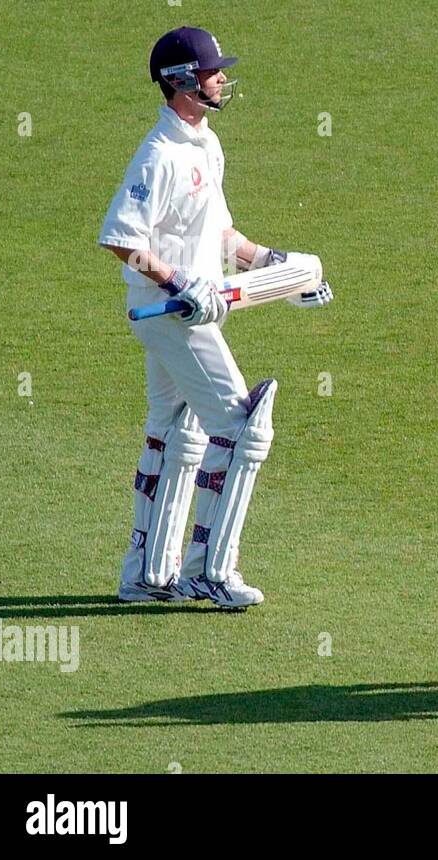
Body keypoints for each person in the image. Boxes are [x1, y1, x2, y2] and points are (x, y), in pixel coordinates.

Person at [98, 27, 331, 608]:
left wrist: (283, 268)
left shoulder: (206, 144)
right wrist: (178, 281)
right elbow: (121, 240)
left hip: (194, 306)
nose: (221, 77)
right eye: (211, 70)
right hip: (173, 310)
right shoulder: (159, 155)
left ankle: (147, 576)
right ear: (181, 81)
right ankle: (212, 571)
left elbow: (223, 236)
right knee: (241, 428)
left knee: (175, 432)